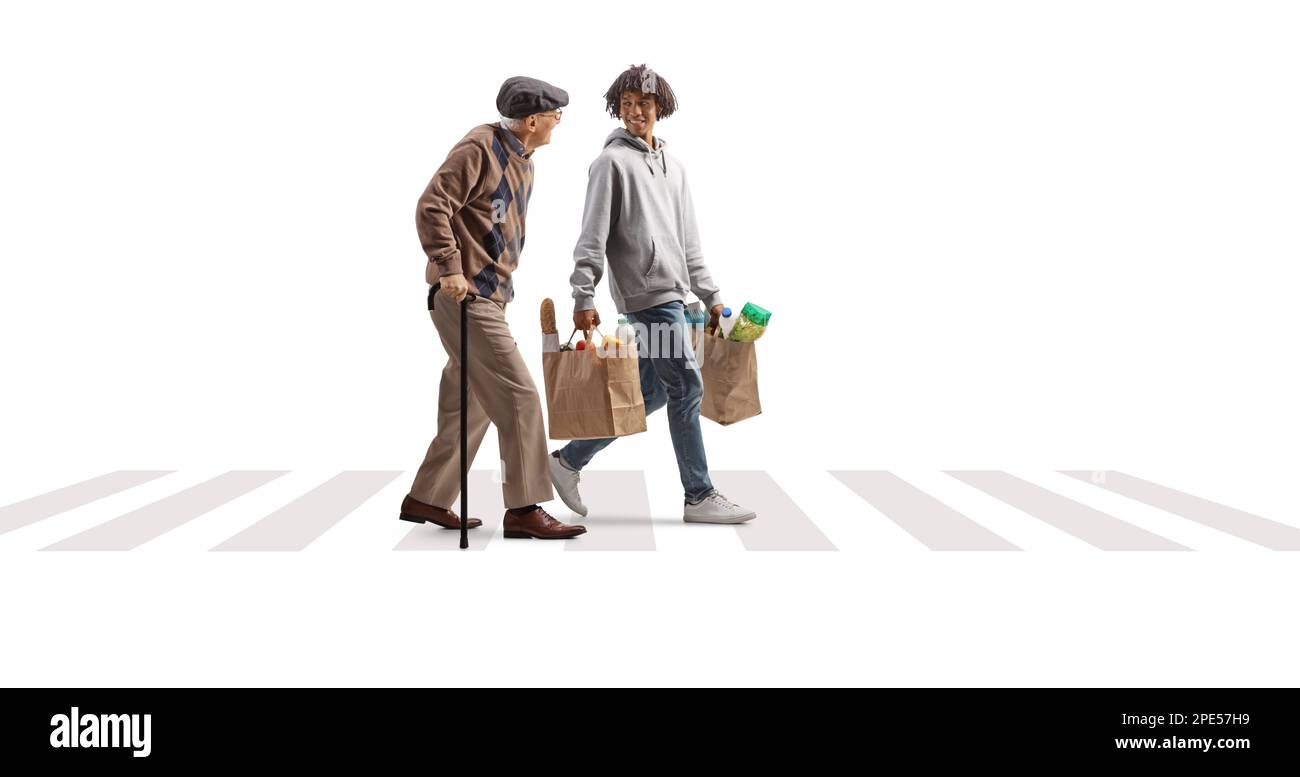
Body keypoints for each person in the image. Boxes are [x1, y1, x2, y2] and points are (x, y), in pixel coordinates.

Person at [549, 65, 757, 525]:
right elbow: (592, 236)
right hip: (647, 298)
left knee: (654, 389)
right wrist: (583, 296)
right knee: (687, 385)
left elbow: (689, 244)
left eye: (643, 103)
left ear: (659, 107)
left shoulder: (674, 167)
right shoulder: (609, 164)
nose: (634, 111)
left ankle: (566, 462)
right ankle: (698, 495)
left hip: (680, 298)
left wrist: (713, 297)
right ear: (617, 108)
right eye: (626, 104)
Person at [402, 76, 586, 540]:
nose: (557, 122)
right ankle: (524, 508)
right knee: (521, 396)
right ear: (530, 121)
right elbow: (431, 205)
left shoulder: (523, 159)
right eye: (552, 115)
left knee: (472, 404)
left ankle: (427, 497)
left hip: (490, 297)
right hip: (464, 298)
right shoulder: (480, 149)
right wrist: (449, 267)